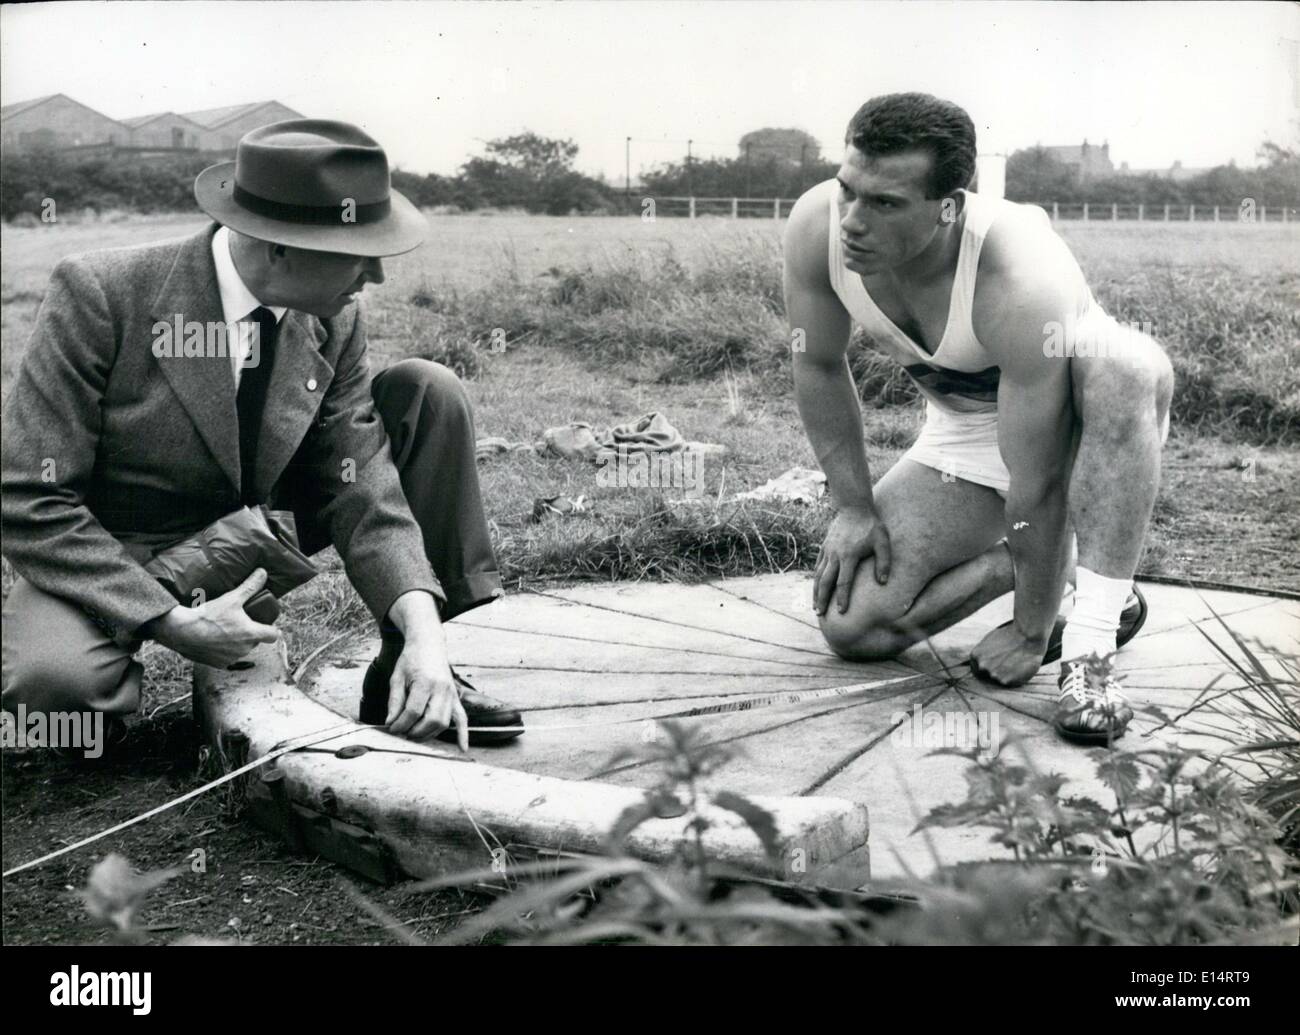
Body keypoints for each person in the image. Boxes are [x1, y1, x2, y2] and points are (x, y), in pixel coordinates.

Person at [1, 119, 523, 753]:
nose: (377, 278)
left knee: (427, 390)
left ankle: (407, 669)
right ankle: (104, 658)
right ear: (279, 246)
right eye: (361, 253)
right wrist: (170, 622)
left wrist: (424, 636)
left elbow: (362, 484)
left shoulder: (334, 317)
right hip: (124, 546)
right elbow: (30, 495)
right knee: (54, 701)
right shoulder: (101, 293)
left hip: (259, 533)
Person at [783, 93, 1172, 744]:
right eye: (848, 189)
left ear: (950, 208)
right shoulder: (816, 227)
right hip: (967, 430)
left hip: (1079, 424)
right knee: (855, 627)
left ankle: (1091, 649)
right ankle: (1060, 574)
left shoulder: (1016, 275)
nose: (850, 218)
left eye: (884, 204)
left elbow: (1039, 476)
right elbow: (818, 365)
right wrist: (853, 507)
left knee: (1123, 364)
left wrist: (1029, 627)